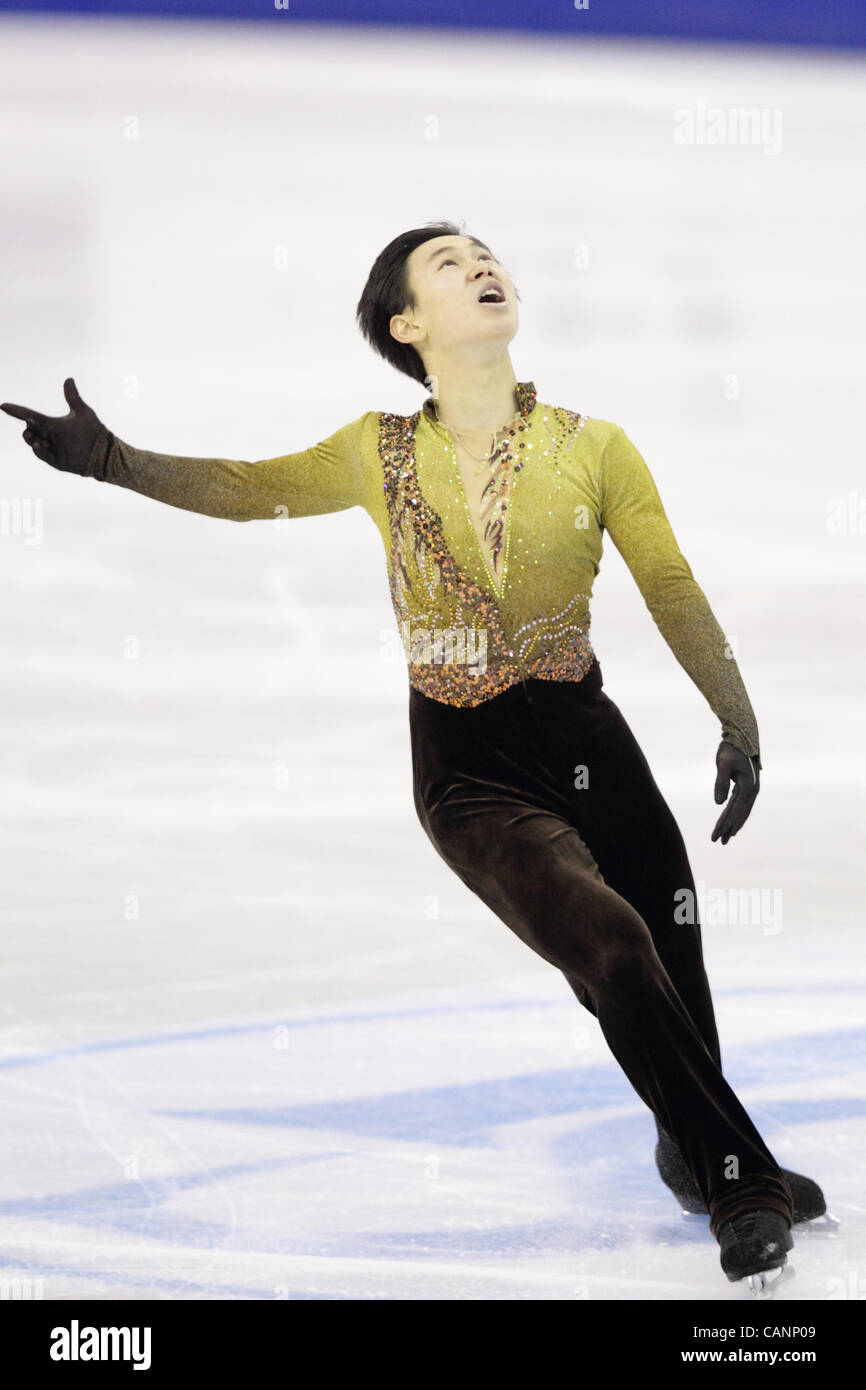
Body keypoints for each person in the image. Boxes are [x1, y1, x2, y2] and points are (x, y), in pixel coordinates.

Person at [2, 219, 827, 1293]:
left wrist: (736, 717)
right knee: (612, 944)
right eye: (448, 263)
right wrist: (112, 460)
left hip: (591, 745)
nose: (482, 264)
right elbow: (250, 488)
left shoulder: (594, 445)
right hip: (471, 775)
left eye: (488, 253)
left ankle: (688, 1139)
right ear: (405, 323)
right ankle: (739, 1187)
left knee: (675, 974)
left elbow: (666, 584)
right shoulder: (374, 450)